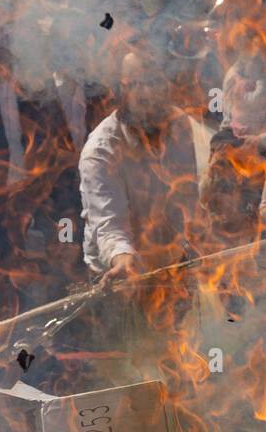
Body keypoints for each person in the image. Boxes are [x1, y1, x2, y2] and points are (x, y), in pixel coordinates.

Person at [79, 48, 198, 282]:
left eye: (154, 82)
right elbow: (109, 226)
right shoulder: (101, 152)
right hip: (121, 276)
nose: (148, 93)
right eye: (136, 84)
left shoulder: (179, 123)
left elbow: (186, 196)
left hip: (171, 263)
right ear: (122, 89)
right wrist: (122, 258)